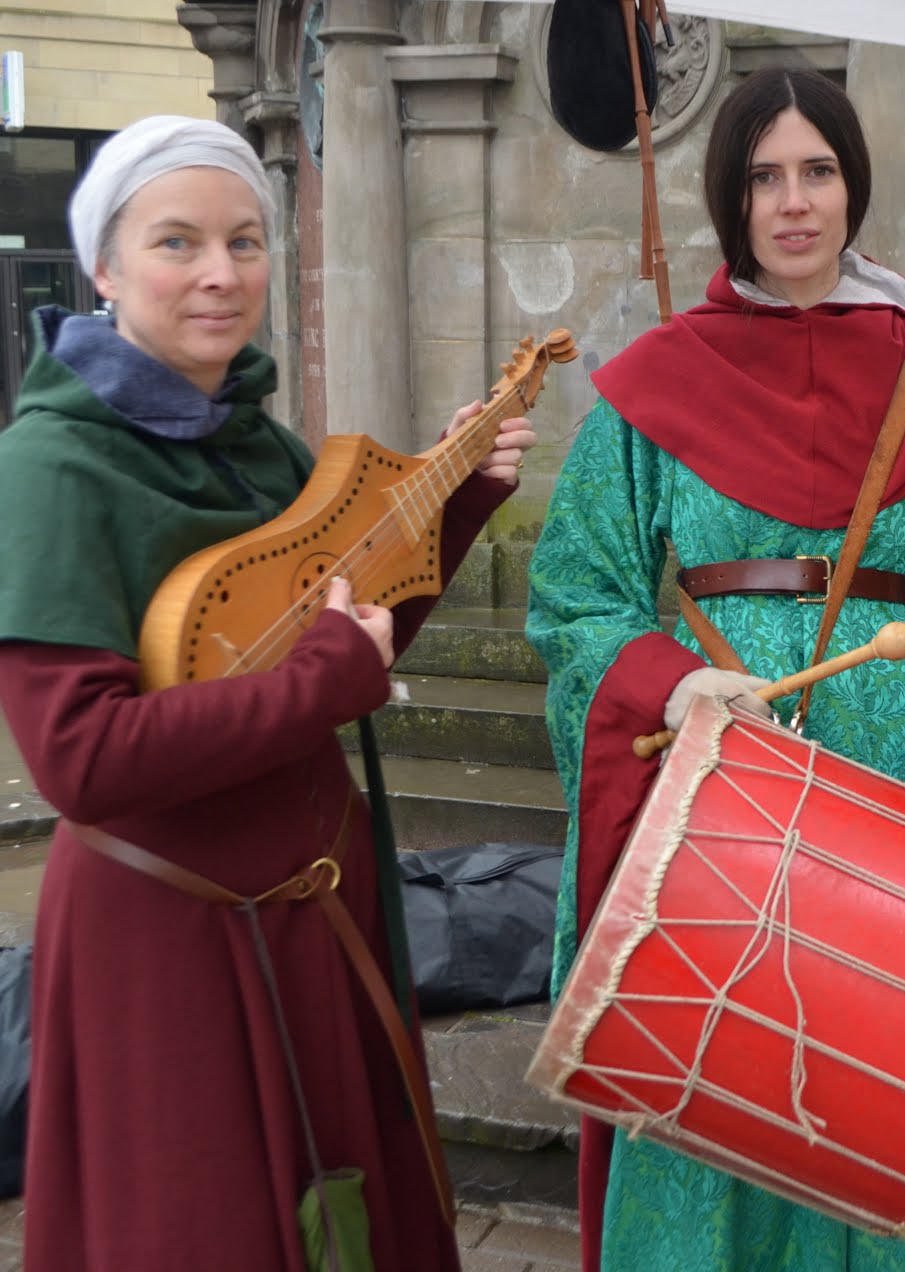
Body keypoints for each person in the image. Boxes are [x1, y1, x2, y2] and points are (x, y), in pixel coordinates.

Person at [0, 115, 537, 1270]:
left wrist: (454, 510)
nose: (220, 274)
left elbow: (342, 639)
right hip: (171, 945)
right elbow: (77, 759)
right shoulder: (51, 468)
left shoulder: (265, 447)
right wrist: (326, 678)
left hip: (309, 916)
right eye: (177, 242)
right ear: (103, 264)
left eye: (245, 242)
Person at [526, 66, 905, 1272]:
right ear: (729, 197)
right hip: (713, 802)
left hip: (882, 804)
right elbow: (571, 595)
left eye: (818, 171)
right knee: (712, 1084)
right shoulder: (655, 386)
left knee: (869, 1086)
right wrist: (668, 681)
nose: (792, 203)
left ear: (854, 188)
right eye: (762, 177)